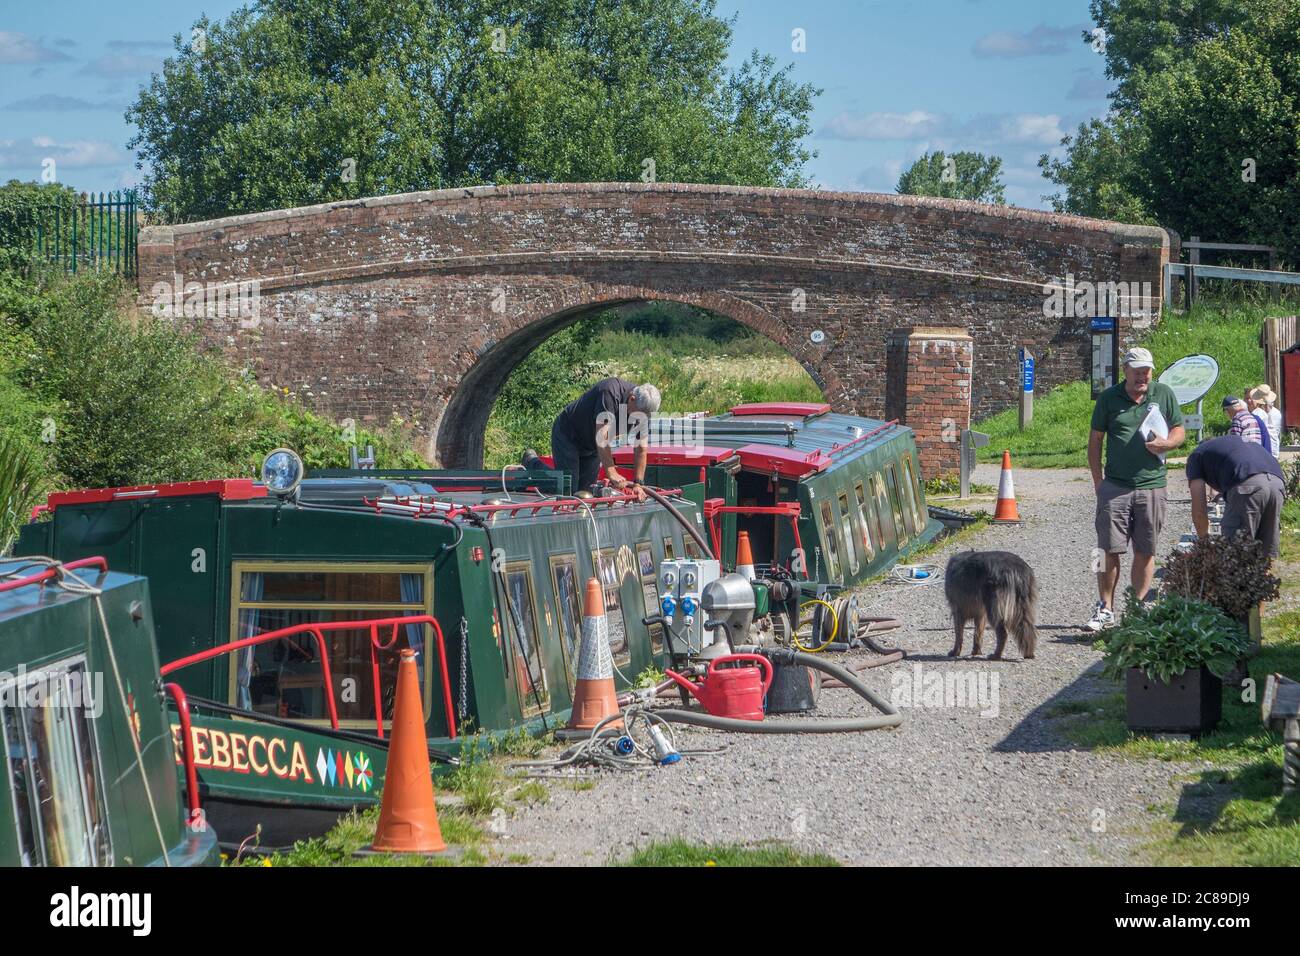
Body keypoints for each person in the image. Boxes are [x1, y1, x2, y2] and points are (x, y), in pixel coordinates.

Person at [1086, 347, 1186, 631]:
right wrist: (1098, 482)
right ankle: (1104, 607)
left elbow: (1179, 430)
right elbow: (1095, 442)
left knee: (1146, 549)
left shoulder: (1163, 393)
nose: (1143, 376)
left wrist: (1168, 444)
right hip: (1114, 486)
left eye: (1147, 371)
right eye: (1137, 371)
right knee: (1104, 550)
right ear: (1125, 370)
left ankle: (1138, 607)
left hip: (1153, 485)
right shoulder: (1108, 398)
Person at [523, 379, 660, 499]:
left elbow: (641, 448)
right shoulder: (610, 392)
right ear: (632, 398)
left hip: (593, 446)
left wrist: (638, 484)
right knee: (567, 489)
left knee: (585, 494)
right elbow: (602, 436)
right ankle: (532, 463)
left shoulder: (643, 412)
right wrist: (611, 472)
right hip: (568, 435)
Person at [1186, 434, 1284, 557]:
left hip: (1248, 484)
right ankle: (1263, 575)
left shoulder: (1196, 455)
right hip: (1277, 482)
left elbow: (1199, 509)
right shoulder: (1231, 446)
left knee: (1235, 553)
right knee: (1264, 554)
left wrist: (1204, 544)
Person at [1249, 384, 1282, 458]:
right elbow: (1276, 431)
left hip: (1263, 447)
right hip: (1274, 446)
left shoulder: (1257, 413)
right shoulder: (1276, 412)